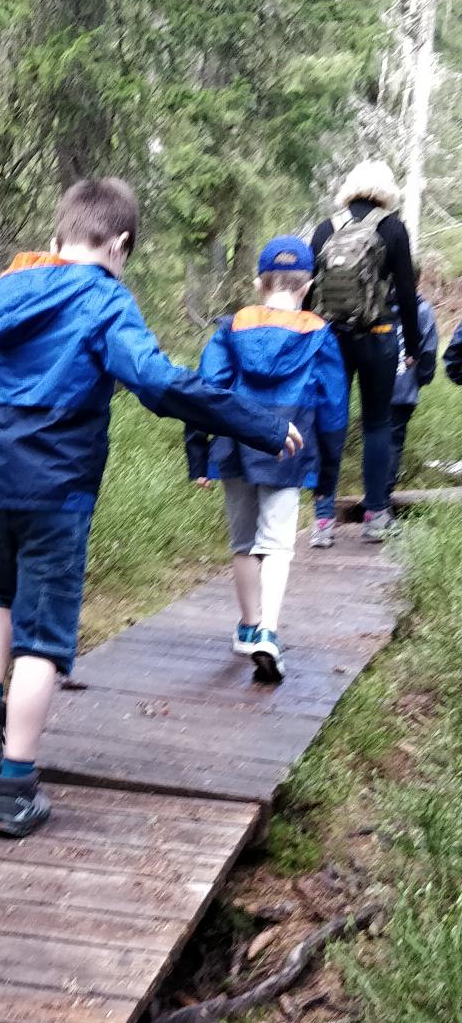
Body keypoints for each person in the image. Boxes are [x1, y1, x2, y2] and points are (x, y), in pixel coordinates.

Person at [0, 177, 302, 838]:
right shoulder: (106, 302)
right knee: (42, 638)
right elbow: (155, 381)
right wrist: (253, 423)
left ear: (58, 233)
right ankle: (15, 787)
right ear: (120, 242)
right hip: (56, 492)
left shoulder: (8, 287)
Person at [186, 235, 347, 683]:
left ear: (259, 283)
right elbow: (334, 407)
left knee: (243, 540)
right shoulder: (319, 334)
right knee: (276, 542)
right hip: (289, 445)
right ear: (308, 284)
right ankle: (269, 634)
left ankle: (247, 626)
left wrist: (199, 453)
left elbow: (205, 390)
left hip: (236, 442)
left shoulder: (229, 328)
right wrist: (328, 474)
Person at [309, 159, 420, 544]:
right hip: (380, 335)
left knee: (329, 424)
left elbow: (310, 292)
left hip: (332, 339)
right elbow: (406, 292)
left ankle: (323, 521)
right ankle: (376, 515)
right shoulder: (393, 228)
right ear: (386, 190)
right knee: (377, 424)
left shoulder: (326, 229)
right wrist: (414, 349)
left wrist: (310, 341)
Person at [386, 276, 438, 500]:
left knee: (376, 436)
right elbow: (428, 350)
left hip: (376, 385)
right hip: (404, 387)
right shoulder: (423, 310)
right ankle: (381, 498)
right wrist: (423, 378)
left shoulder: (379, 306)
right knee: (394, 441)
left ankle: (375, 495)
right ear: (417, 281)